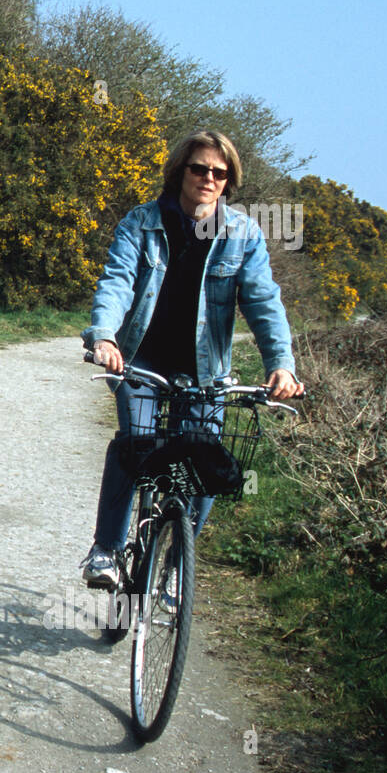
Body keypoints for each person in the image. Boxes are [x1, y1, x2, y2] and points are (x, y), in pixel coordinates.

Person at [80, 129, 305, 589]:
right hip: (140, 363)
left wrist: (281, 364)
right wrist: (105, 336)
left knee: (204, 461)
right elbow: (118, 280)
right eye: (199, 168)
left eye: (219, 173)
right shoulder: (141, 222)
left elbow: (263, 302)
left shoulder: (243, 235)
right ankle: (105, 549)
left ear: (229, 181)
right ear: (180, 171)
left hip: (206, 371)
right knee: (136, 443)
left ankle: (176, 564)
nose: (208, 178)